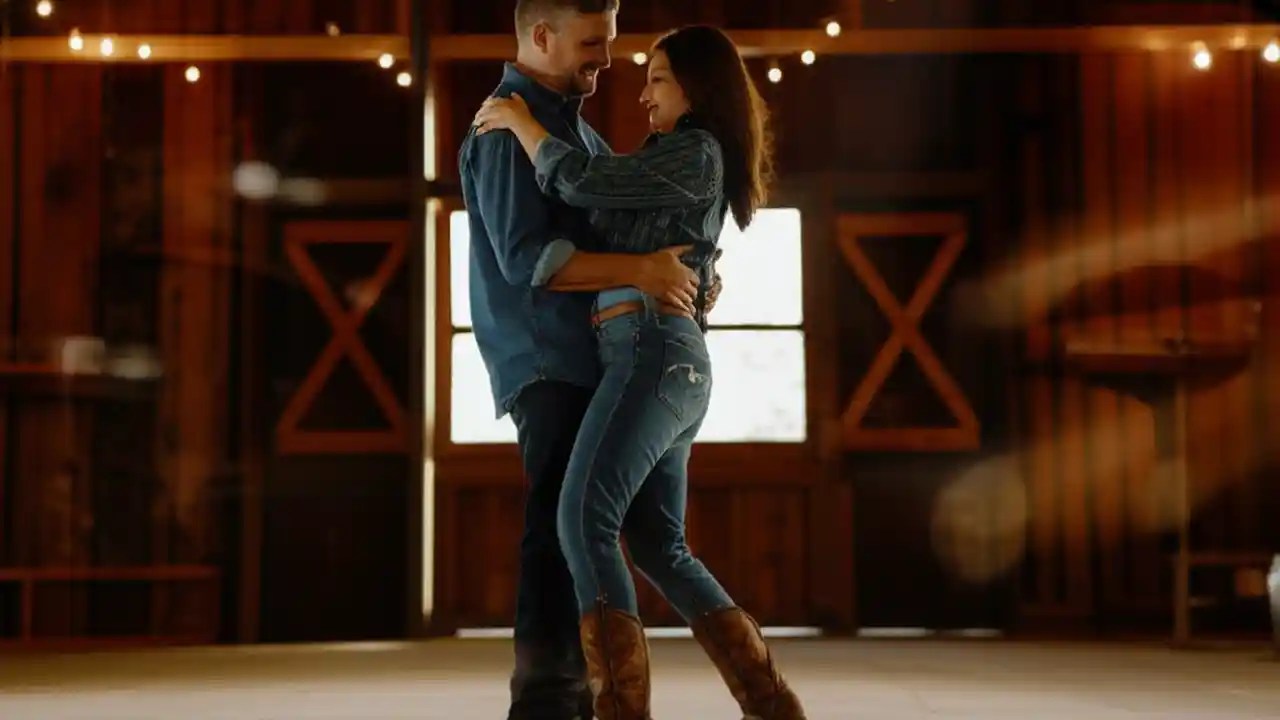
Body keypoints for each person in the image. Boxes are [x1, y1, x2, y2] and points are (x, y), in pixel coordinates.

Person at [473, 24, 806, 720]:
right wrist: (687, 273)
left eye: (656, 77)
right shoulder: (675, 156)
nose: (636, 84)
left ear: (696, 86)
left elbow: (583, 180)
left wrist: (524, 122)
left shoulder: (694, 151)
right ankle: (771, 703)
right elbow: (616, 231)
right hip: (649, 354)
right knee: (659, 544)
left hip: (650, 354)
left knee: (578, 521)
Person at [457, 2, 719, 718]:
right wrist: (640, 273)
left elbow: (632, 224)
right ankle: (545, 706)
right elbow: (527, 260)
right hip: (549, 361)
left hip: (600, 360)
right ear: (541, 36)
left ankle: (587, 700)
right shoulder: (504, 126)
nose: (606, 57)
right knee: (556, 533)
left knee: (599, 535)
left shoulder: (576, 131)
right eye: (592, 42)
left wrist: (686, 272)